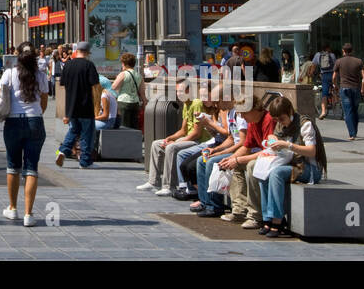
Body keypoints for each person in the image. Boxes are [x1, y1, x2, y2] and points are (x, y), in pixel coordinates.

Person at [253, 96, 325, 238]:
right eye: (276, 120)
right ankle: (268, 217)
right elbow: (275, 135)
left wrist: (288, 145)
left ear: (290, 111)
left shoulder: (305, 124)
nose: (280, 122)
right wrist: (273, 139)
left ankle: (277, 219)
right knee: (263, 172)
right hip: (291, 163)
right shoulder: (280, 123)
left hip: (308, 169)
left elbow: (312, 151)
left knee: (276, 173)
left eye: (282, 118)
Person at [0, 43, 49, 226]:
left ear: (17, 56)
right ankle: (28, 213)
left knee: (12, 165)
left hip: (13, 121)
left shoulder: (10, 73)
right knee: (31, 167)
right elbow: (44, 101)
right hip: (35, 120)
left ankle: (12, 208)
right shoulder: (41, 75)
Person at [216, 93, 274, 230]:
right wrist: (231, 158)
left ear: (253, 109)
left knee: (252, 166)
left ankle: (255, 216)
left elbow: (270, 150)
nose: (241, 117)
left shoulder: (268, 120)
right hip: (263, 155)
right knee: (234, 165)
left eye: (243, 113)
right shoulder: (253, 122)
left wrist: (239, 159)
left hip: (272, 157)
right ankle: (239, 210)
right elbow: (246, 146)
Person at [137, 88, 209, 195]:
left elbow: (196, 134)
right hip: (187, 138)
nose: (178, 94)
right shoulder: (186, 104)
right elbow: (183, 130)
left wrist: (175, 143)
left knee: (171, 148)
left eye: (181, 91)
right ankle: (153, 182)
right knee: (157, 144)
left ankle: (169, 186)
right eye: (177, 91)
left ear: (189, 91)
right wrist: (169, 138)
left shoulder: (196, 103)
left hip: (197, 141)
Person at [55, 41, 102, 169]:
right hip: (85, 105)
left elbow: (62, 84)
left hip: (71, 105)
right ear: (87, 52)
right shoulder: (89, 65)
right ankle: (85, 161)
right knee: (87, 133)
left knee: (74, 130)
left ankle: (63, 150)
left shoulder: (68, 65)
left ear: (76, 51)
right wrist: (97, 103)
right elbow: (95, 85)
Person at [332, 43, 364, 140]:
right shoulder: (358, 61)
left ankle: (352, 133)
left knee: (348, 111)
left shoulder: (339, 61)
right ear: (352, 51)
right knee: (355, 110)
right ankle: (354, 130)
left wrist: (335, 85)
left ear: (343, 51)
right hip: (356, 88)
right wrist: (363, 87)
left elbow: (334, 77)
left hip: (344, 88)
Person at [111, 53, 143, 130]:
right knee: (134, 126)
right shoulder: (139, 75)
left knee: (123, 126)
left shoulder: (123, 74)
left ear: (124, 63)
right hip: (135, 103)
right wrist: (144, 103)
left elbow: (114, 87)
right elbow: (142, 92)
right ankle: (134, 141)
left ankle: (125, 141)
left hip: (123, 102)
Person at [312, 43, 336, 119]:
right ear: (328, 48)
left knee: (324, 94)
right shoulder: (332, 55)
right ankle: (336, 104)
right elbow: (336, 66)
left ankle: (323, 112)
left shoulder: (317, 55)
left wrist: (312, 73)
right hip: (332, 74)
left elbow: (313, 66)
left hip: (324, 75)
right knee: (335, 89)